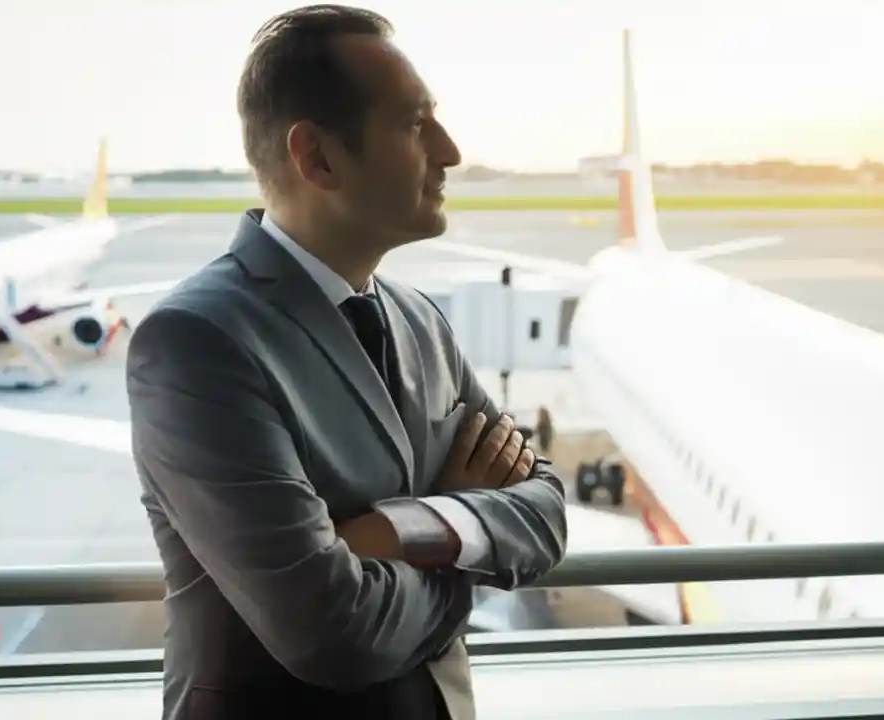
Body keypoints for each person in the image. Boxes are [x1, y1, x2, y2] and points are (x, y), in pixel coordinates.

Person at [126, 6, 568, 719]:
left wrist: (395, 532)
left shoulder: (421, 318)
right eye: (414, 124)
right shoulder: (197, 341)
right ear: (318, 159)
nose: (450, 152)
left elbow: (546, 514)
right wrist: (473, 554)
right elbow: (333, 634)